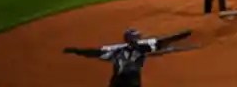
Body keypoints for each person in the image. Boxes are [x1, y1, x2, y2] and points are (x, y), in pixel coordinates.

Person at [64, 28, 192, 87]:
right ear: (130, 39)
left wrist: (181, 35)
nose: (138, 39)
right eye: (136, 38)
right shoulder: (118, 49)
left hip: (128, 80)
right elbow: (95, 52)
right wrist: (77, 51)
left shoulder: (140, 47)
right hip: (123, 80)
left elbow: (161, 42)